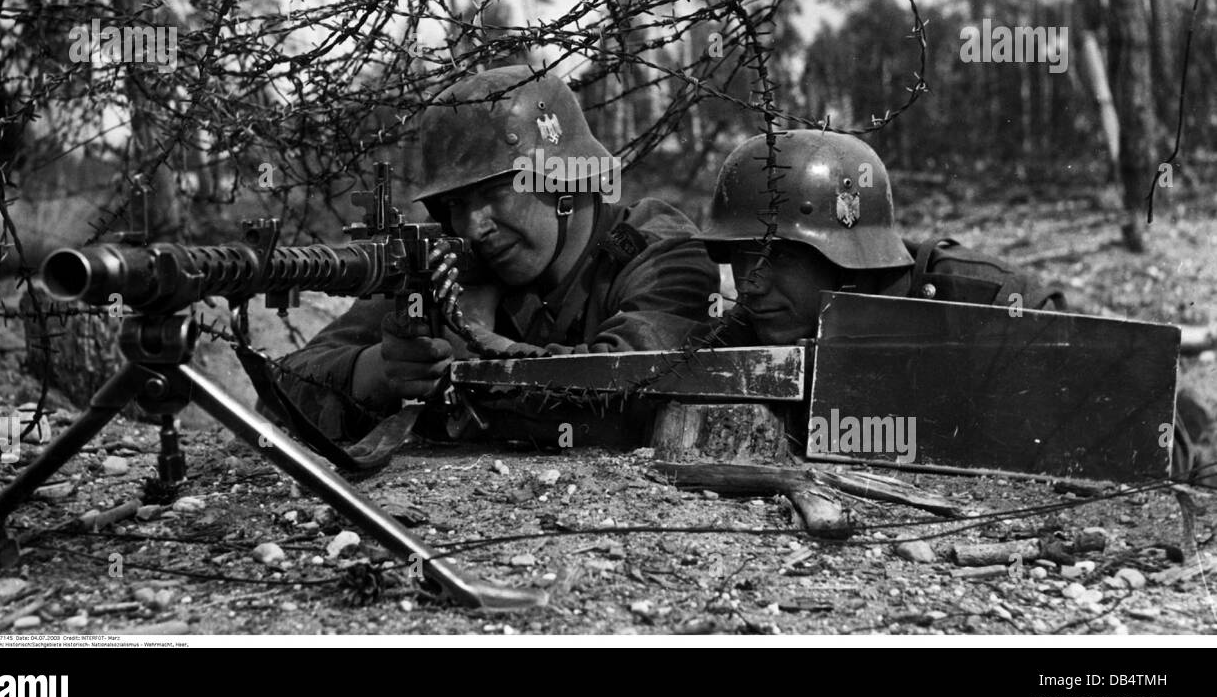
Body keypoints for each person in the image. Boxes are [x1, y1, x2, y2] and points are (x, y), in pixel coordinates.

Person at [278, 64, 720, 445]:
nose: (473, 226)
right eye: (455, 205)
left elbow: (636, 387)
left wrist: (482, 350)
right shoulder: (451, 261)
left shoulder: (658, 250)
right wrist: (377, 372)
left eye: (495, 193)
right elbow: (282, 389)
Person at [697, 131, 1067, 345]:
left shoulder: (987, 303)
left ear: (851, 258)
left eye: (781, 257)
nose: (751, 284)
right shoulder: (747, 334)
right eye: (742, 254)